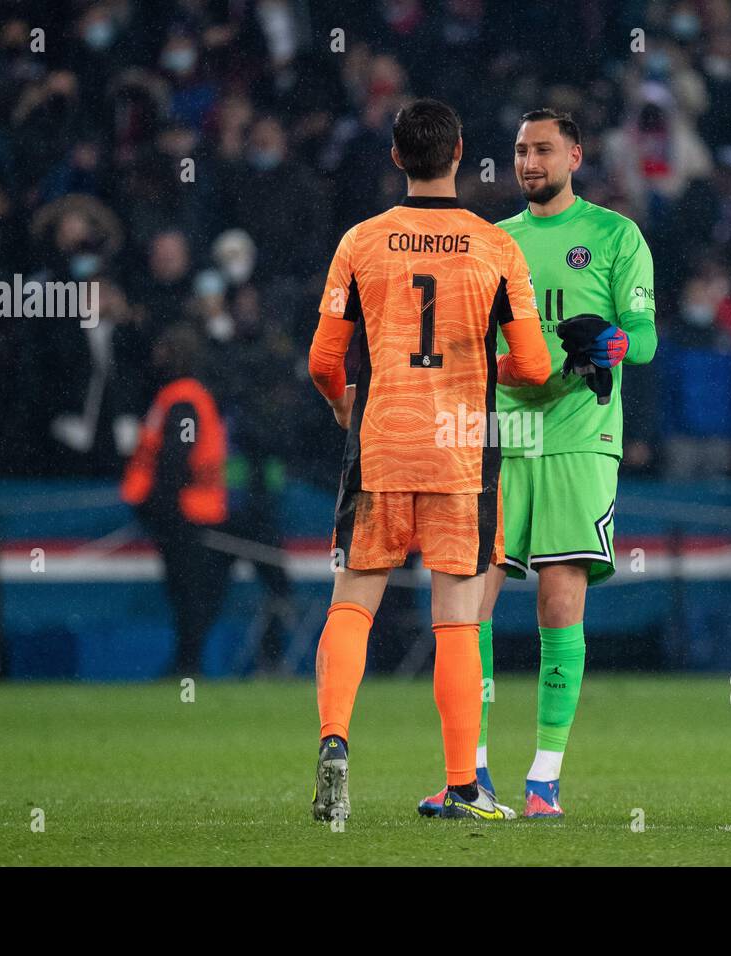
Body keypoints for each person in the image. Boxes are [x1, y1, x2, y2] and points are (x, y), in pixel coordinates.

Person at [306, 98, 550, 823]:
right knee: (456, 621)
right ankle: (465, 786)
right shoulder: (495, 247)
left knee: (352, 602)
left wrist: (343, 403)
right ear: (460, 153)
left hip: (380, 440)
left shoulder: (361, 241)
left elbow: (323, 359)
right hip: (460, 451)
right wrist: (481, 375)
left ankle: (335, 743)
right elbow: (535, 366)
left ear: (394, 158)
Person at [419, 108, 658, 819]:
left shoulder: (616, 236)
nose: (529, 162)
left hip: (581, 442)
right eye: (521, 150)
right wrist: (513, 369)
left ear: (575, 155)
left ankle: (544, 781)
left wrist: (607, 345)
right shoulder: (493, 244)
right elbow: (469, 348)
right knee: (472, 605)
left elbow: (643, 340)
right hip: (502, 438)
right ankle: (472, 773)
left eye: (543, 150)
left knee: (560, 602)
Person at [120, 323, 231, 677]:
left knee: (186, 592)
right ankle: (187, 663)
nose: (156, 357)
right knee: (189, 592)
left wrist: (158, 504)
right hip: (192, 509)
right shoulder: (186, 396)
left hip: (186, 512)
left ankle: (187, 664)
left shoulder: (182, 399)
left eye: (163, 351)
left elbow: (176, 455)